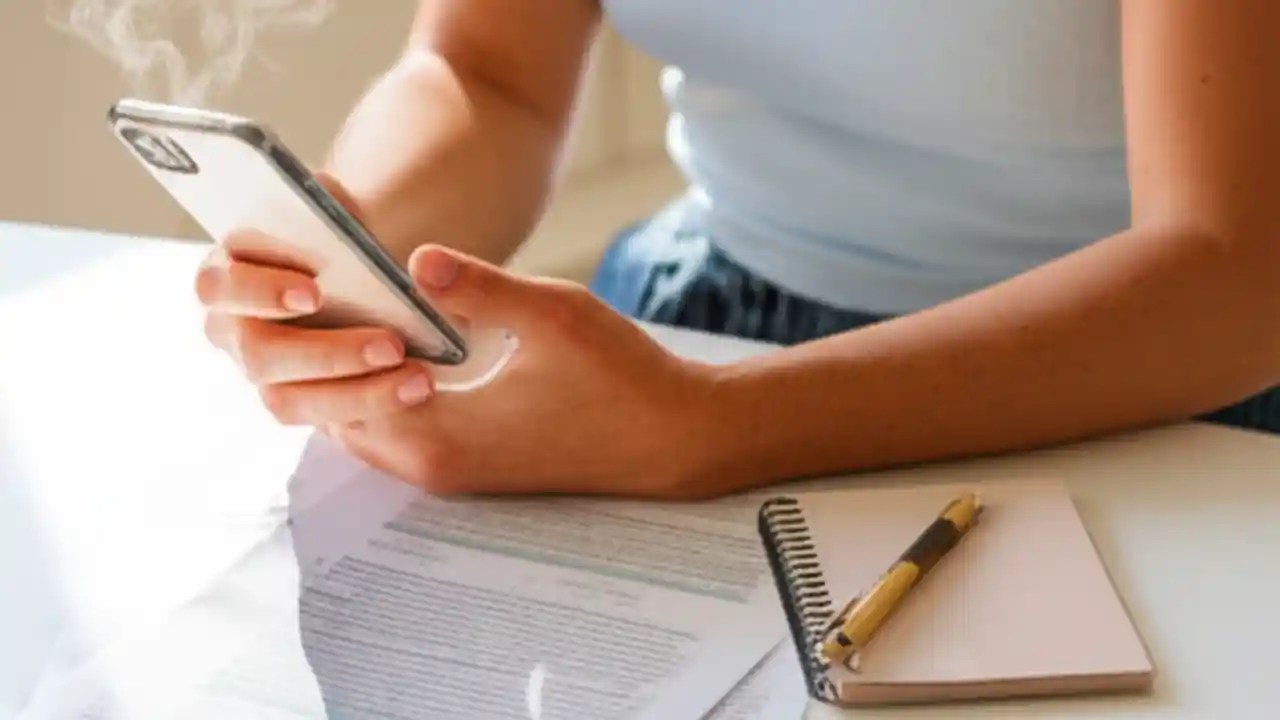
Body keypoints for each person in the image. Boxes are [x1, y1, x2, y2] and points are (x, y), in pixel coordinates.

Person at [195, 1, 1280, 499]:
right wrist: (350, 238)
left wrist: (711, 430)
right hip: (714, 322)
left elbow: (1232, 272)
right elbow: (488, 73)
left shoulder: (701, 422)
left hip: (1146, 384)